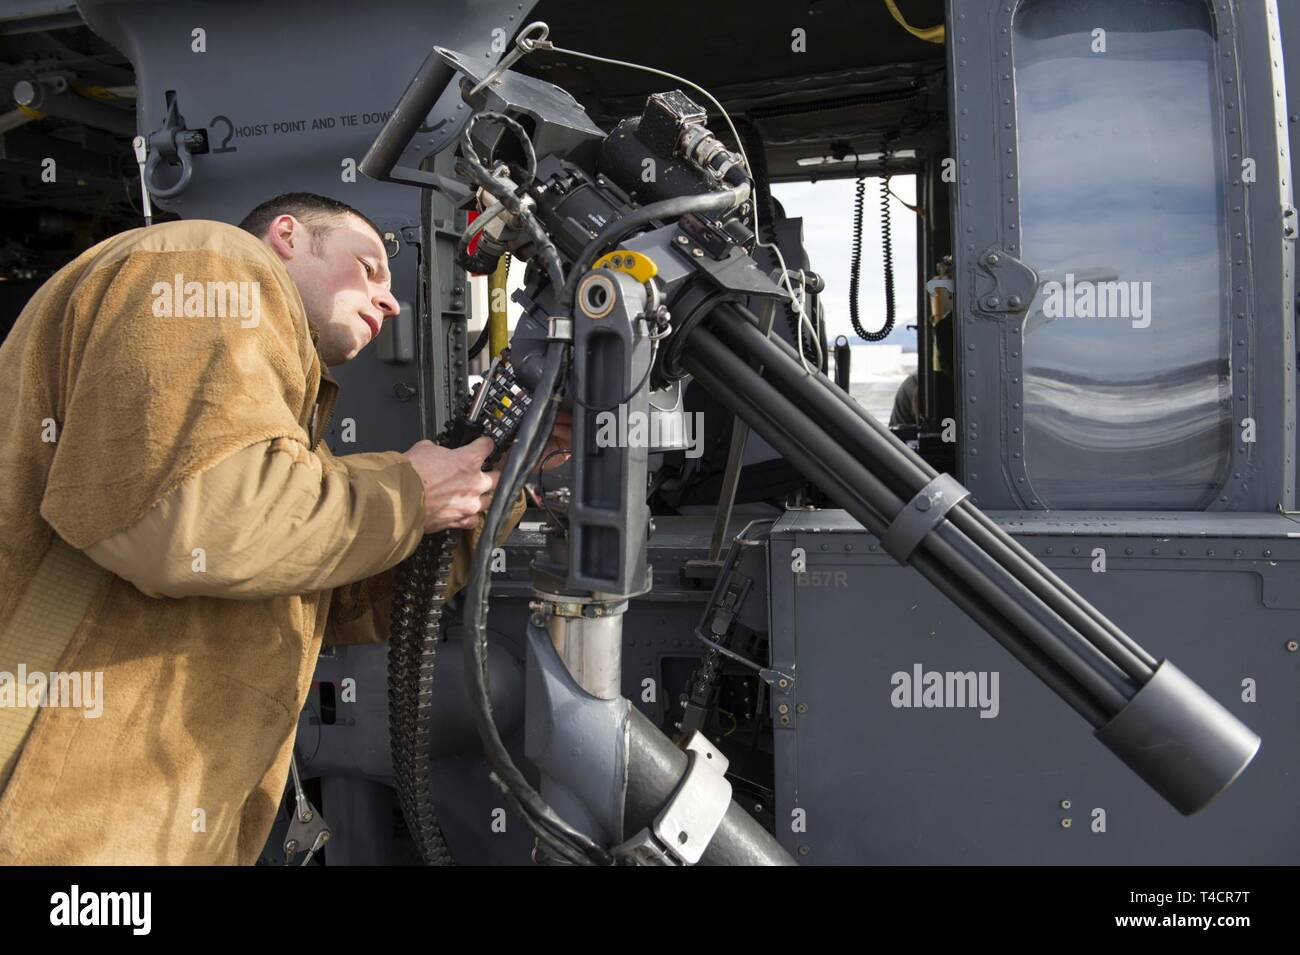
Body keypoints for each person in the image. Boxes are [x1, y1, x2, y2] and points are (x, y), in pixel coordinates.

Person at [0, 192, 569, 863]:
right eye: (369, 267)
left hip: (138, 824)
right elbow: (192, 522)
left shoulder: (281, 433)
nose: (389, 301)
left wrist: (492, 481)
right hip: (60, 818)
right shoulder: (204, 259)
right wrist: (411, 491)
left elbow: (333, 594)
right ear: (288, 235)